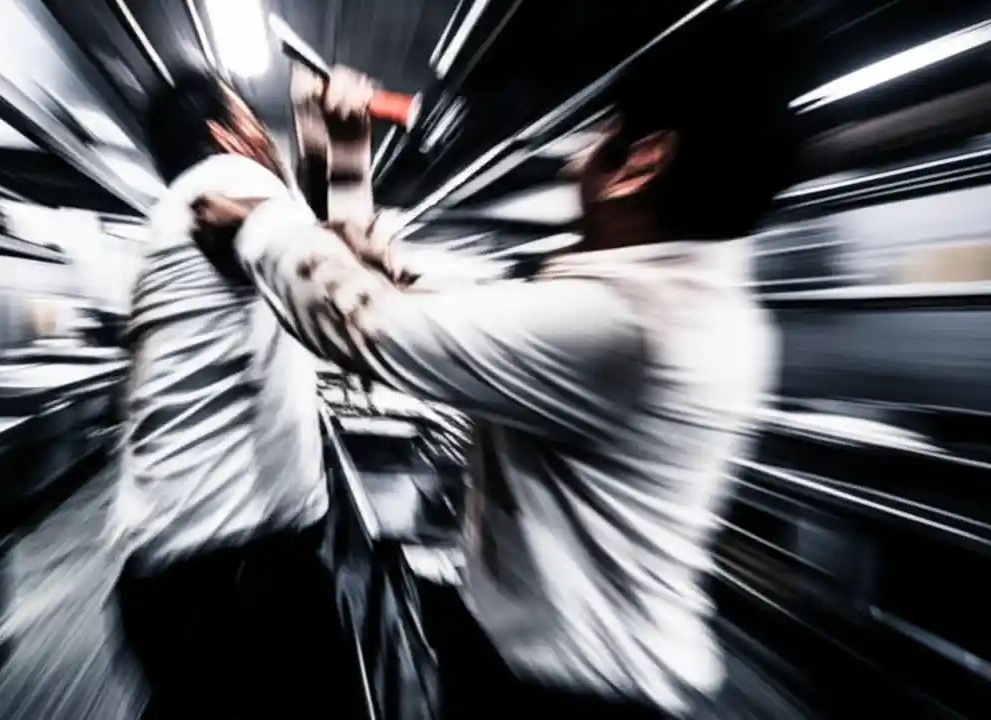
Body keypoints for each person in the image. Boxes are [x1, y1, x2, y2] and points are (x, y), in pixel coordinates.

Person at [192, 6, 795, 718]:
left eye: (598, 133)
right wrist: (347, 158)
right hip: (584, 675)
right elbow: (431, 295)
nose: (578, 156)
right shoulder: (688, 301)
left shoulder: (628, 327)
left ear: (640, 163)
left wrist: (262, 227)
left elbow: (372, 325)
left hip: (560, 694)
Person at [109, 68, 358, 720]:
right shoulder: (234, 182)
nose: (265, 136)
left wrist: (315, 147)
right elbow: (347, 293)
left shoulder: (173, 211)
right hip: (239, 580)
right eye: (256, 119)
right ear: (228, 134)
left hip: (174, 572)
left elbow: (295, 256)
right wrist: (344, 145)